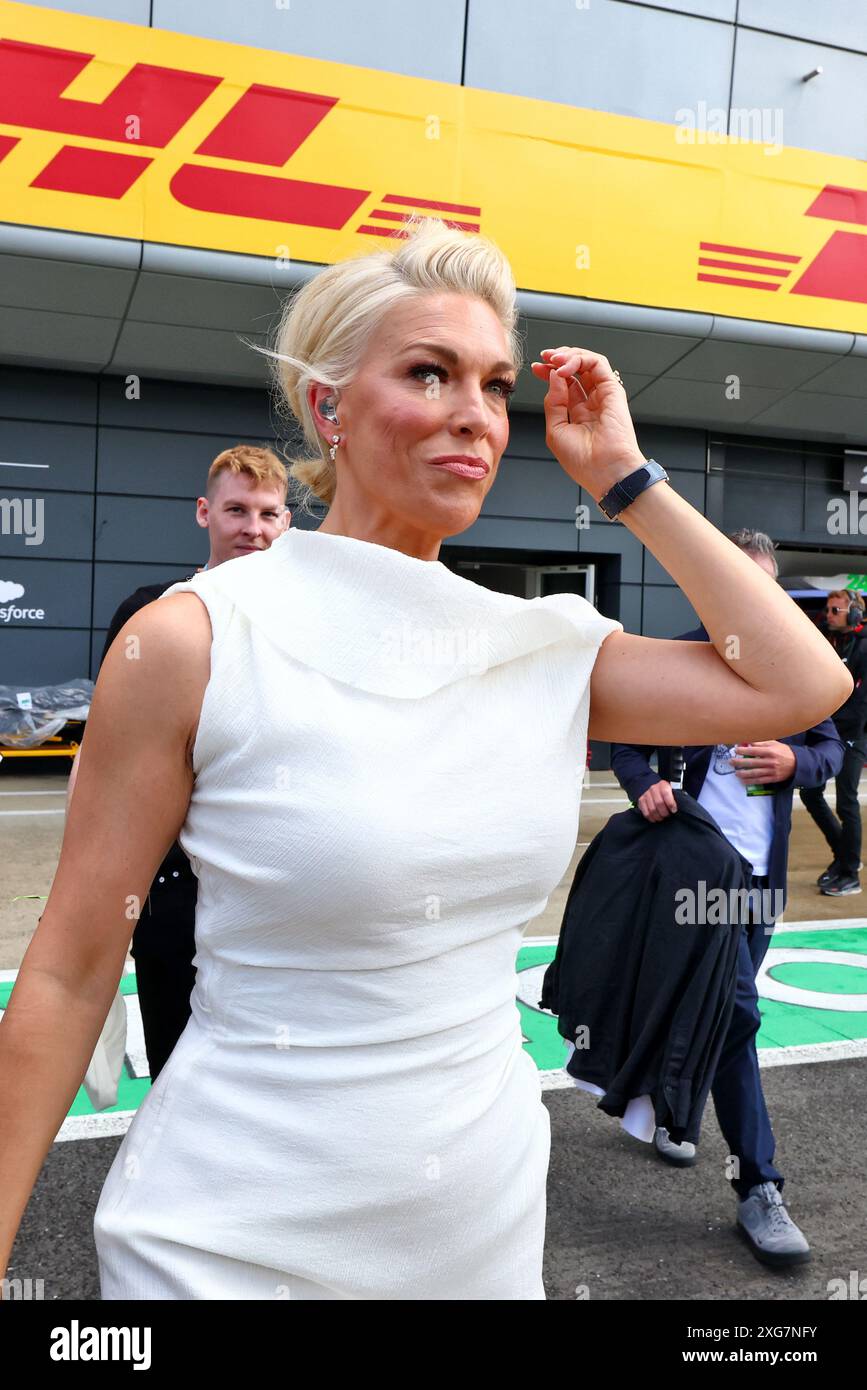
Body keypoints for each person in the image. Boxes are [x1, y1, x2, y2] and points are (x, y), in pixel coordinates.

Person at [0, 218, 852, 1302]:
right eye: (428, 372)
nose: (476, 417)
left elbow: (803, 682)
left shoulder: (545, 644)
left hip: (480, 1226)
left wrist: (627, 479)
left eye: (497, 386)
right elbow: (72, 966)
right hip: (222, 1241)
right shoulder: (192, 638)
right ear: (329, 407)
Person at [611, 529, 844, 1268]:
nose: (752, 600)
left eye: (763, 588)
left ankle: (666, 1108)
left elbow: (833, 749)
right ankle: (758, 1184)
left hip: (760, 882)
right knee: (737, 1014)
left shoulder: (801, 667)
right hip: (694, 875)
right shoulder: (673, 655)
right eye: (734, 584)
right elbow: (621, 738)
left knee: (708, 1007)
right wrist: (642, 781)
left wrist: (793, 760)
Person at [66, 446, 290, 1080]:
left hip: (277, 891)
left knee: (277, 1080)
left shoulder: (310, 624)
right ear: (204, 513)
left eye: (268, 513)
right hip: (175, 892)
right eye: (237, 510)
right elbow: (100, 759)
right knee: (177, 1073)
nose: (254, 527)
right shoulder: (153, 614)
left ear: (289, 522)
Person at [799, 589, 867, 896]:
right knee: (811, 794)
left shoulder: (864, 647)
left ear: (854, 614)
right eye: (828, 609)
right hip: (828, 732)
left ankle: (849, 872)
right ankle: (844, 856)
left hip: (854, 733)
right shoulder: (828, 640)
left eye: (835, 610)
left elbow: (860, 700)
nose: (829, 615)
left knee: (846, 801)